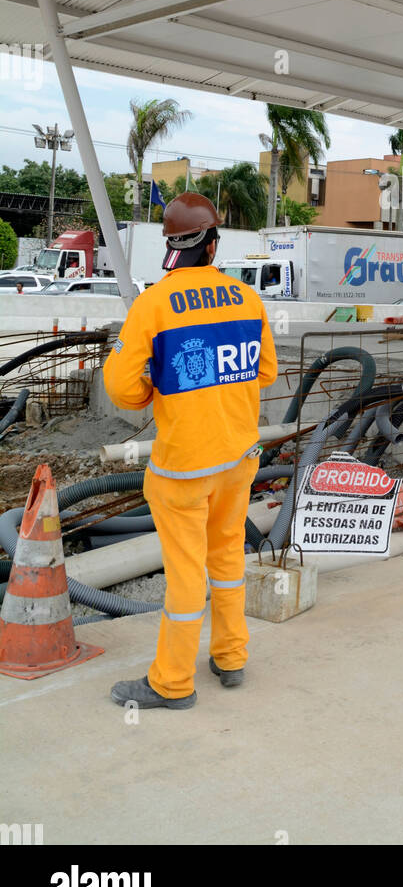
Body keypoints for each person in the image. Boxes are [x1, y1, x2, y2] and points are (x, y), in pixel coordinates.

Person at [103, 193, 278, 710]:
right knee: (227, 559)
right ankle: (230, 656)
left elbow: (120, 387)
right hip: (239, 459)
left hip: (184, 468)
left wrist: (151, 389)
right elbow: (264, 370)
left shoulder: (154, 304)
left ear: (173, 248)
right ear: (213, 244)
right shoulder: (246, 298)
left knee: (184, 574)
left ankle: (172, 683)